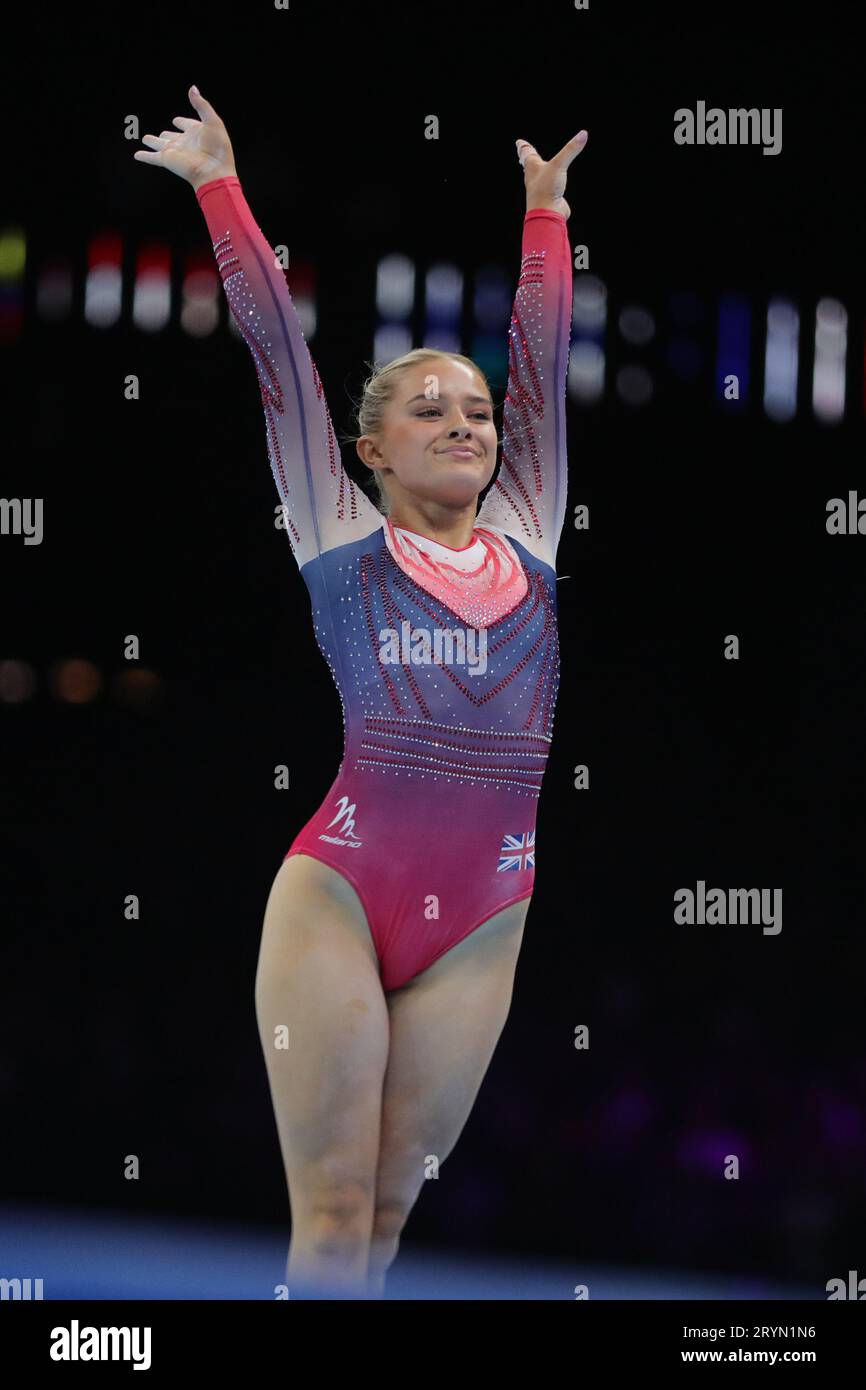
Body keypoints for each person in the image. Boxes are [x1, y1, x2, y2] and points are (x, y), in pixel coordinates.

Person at [134, 87, 587, 1299]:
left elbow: (539, 371)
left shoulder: (532, 534)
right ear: (370, 451)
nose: (465, 423)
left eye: (475, 411)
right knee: (331, 1212)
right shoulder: (337, 535)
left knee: (385, 1218)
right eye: (426, 409)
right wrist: (219, 190)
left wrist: (545, 219)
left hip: (487, 914)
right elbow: (277, 357)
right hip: (341, 884)